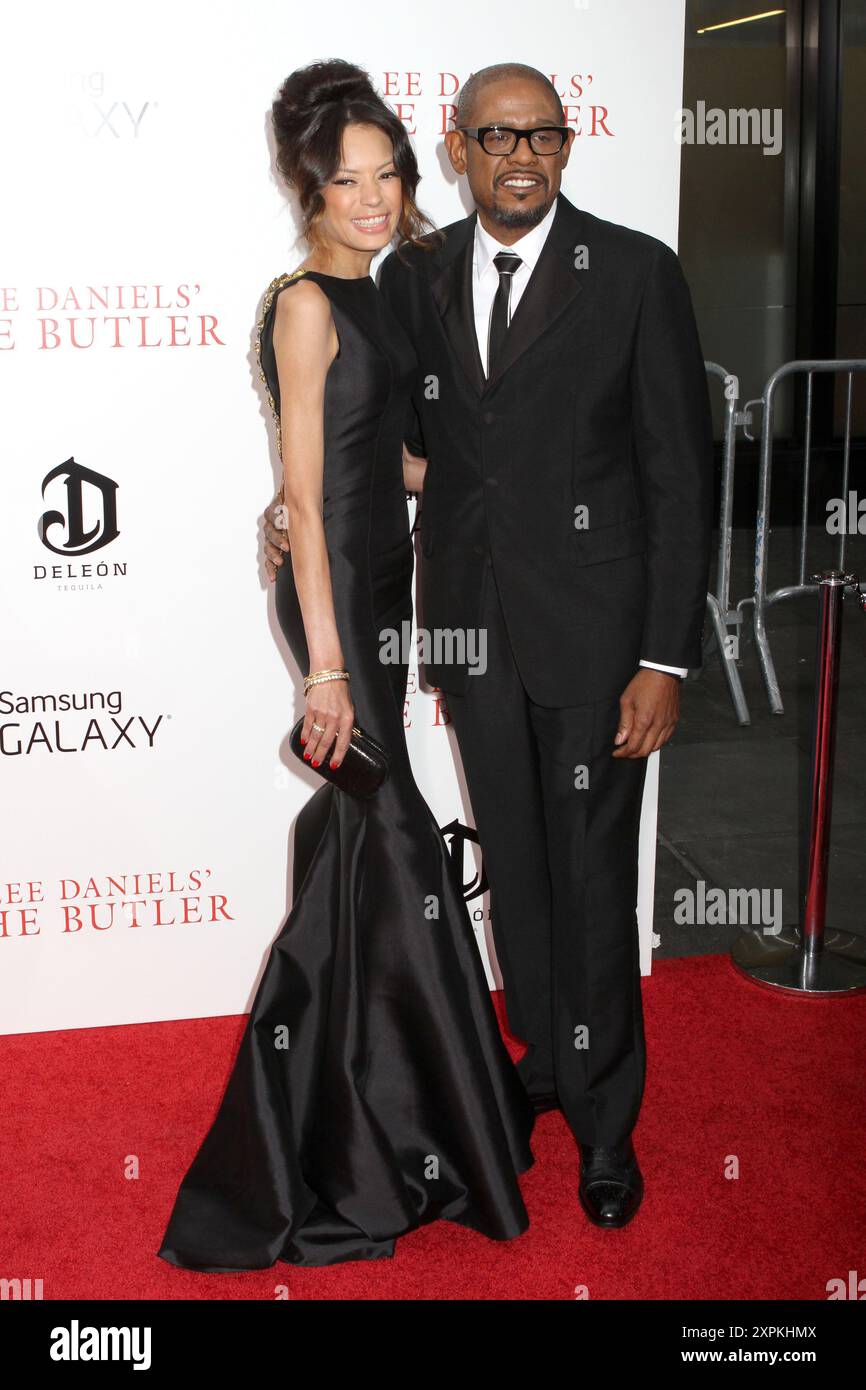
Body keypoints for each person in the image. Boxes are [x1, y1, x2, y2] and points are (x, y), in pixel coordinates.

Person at [265, 63, 713, 1229]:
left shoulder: (630, 273)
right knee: (513, 874)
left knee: (592, 879)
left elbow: (678, 475)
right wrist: (299, 501)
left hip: (599, 644)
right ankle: (550, 1065)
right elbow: (411, 443)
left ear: (565, 147)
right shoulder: (413, 277)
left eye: (542, 135)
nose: (520, 156)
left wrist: (662, 656)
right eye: (494, 136)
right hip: (467, 633)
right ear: (457, 150)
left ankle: (607, 1129)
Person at [157, 60, 534, 1273]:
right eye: (346, 182)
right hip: (332, 611)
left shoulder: (380, 290)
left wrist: (489, 483)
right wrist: (324, 670)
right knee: (407, 842)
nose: (372, 199)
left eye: (387, 177)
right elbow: (310, 505)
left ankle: (368, 1106)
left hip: (380, 592)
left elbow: (390, 466)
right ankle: (375, 1136)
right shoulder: (308, 304)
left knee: (371, 855)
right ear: (304, 188)